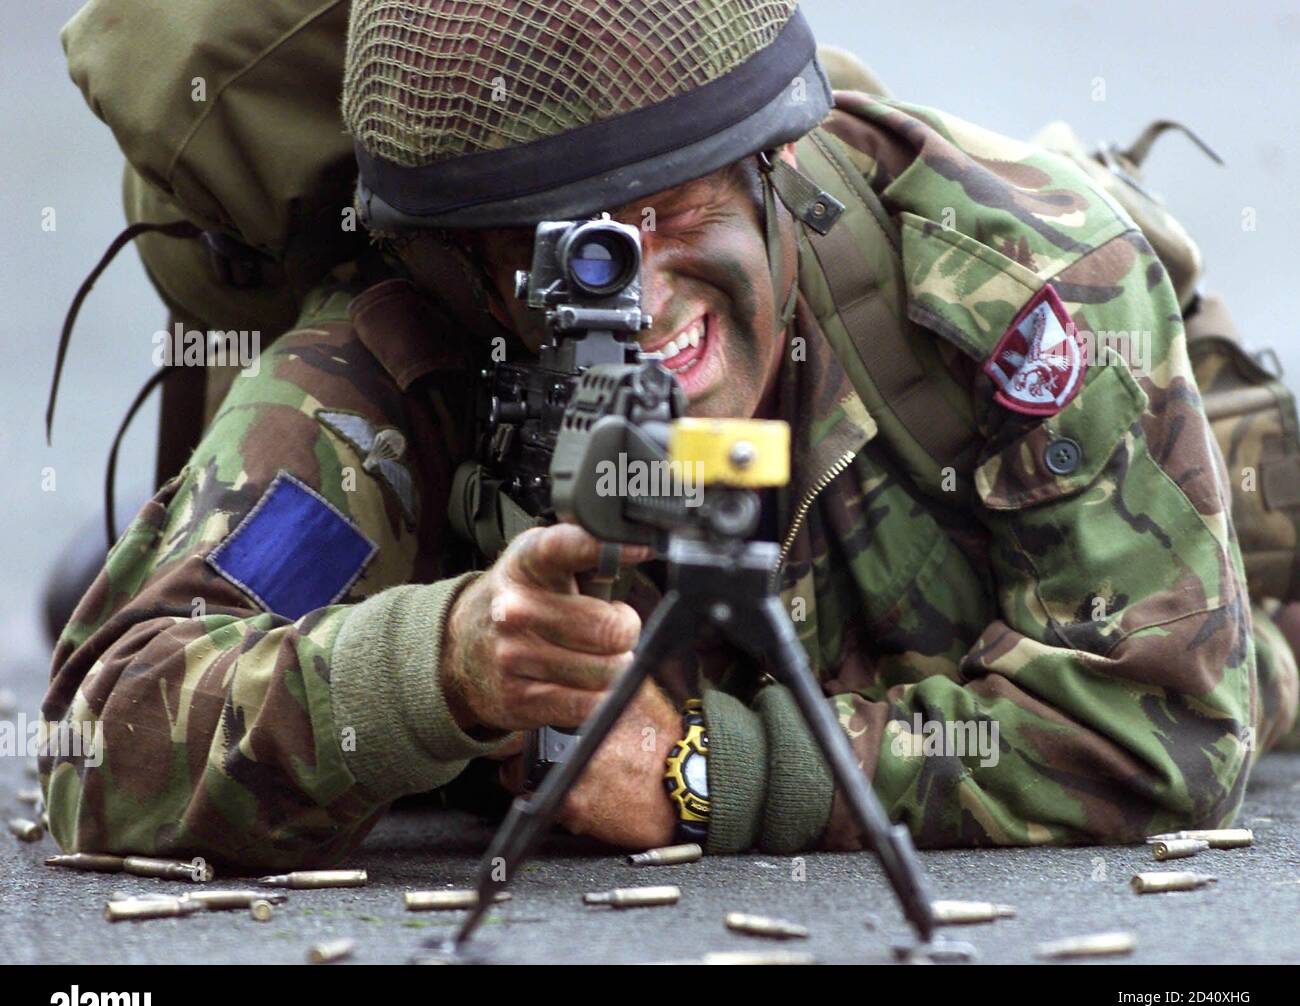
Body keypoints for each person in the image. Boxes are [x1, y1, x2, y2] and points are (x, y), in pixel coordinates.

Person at [42, 0, 1297, 869]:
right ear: (462, 267)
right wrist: (439, 664)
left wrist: (705, 774)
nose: (636, 300)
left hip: (1121, 540)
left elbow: (1171, 724)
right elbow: (104, 735)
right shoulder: (395, 357)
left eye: (665, 209)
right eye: (570, 253)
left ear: (773, 161)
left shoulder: (1011, 282)